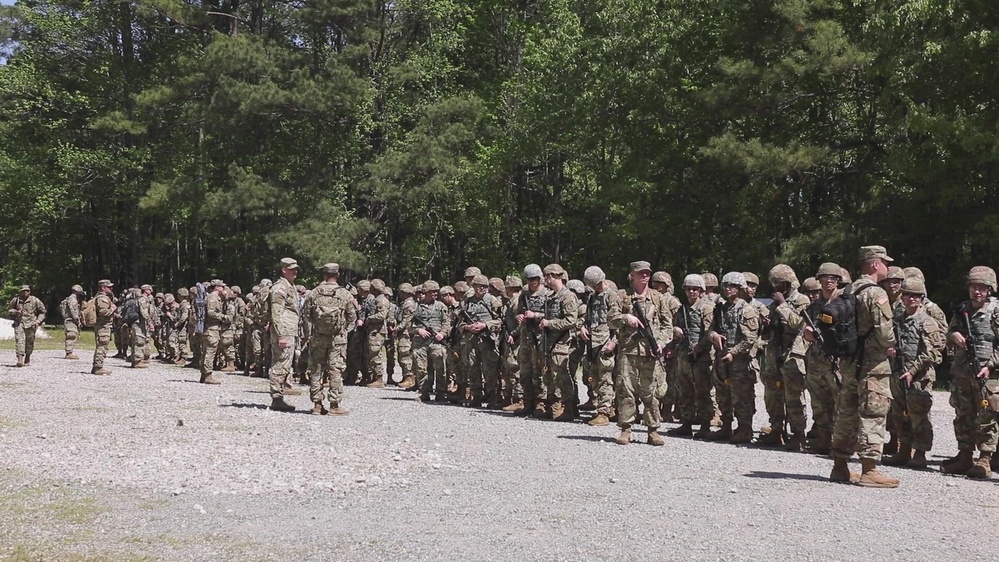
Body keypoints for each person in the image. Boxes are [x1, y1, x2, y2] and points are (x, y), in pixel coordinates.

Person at [813, 245, 898, 487]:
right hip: (872, 364)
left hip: (849, 363)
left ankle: (839, 466)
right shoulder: (875, 293)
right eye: (884, 262)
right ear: (874, 264)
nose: (887, 267)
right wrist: (891, 345)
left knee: (846, 413)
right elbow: (885, 334)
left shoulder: (848, 290)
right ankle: (869, 470)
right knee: (873, 413)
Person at [940, 266, 999, 478]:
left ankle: (985, 459)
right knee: (962, 414)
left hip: (988, 375)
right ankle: (964, 455)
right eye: (974, 287)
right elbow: (948, 332)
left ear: (990, 289)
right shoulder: (962, 309)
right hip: (963, 372)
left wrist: (989, 365)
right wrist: (954, 335)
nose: (977, 292)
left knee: (987, 417)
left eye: (982, 288)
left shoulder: (995, 311)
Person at [608, 261, 673, 445]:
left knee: (651, 392)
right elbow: (611, 320)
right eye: (641, 273)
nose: (645, 276)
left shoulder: (658, 298)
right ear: (632, 275)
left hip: (651, 353)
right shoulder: (621, 296)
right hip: (628, 351)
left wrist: (661, 343)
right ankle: (626, 429)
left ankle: (653, 430)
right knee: (625, 390)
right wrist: (625, 318)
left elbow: (667, 325)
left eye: (647, 273)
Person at [883, 278, 945, 469]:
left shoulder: (926, 322)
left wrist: (912, 370)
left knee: (919, 417)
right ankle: (904, 450)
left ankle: (920, 453)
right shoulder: (898, 318)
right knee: (899, 414)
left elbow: (934, 352)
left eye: (916, 296)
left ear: (921, 298)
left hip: (919, 377)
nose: (911, 299)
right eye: (907, 295)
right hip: (897, 372)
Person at [758, 265, 810, 449]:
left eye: (778, 284)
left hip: (792, 355)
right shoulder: (775, 303)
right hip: (775, 353)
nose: (775, 288)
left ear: (788, 283)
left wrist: (782, 305)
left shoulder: (801, 300)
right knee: (773, 394)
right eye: (773, 284)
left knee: (793, 397)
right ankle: (777, 429)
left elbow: (798, 323)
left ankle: (798, 435)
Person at [707, 272, 759, 444]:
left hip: (740, 362)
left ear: (740, 289)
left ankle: (745, 430)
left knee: (742, 397)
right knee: (723, 395)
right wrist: (714, 336)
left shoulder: (746, 309)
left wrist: (733, 352)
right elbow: (710, 330)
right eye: (726, 286)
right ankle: (726, 426)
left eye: (732, 286)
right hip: (722, 359)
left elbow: (750, 339)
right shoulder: (720, 309)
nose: (728, 289)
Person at [305, 263, 357, 415]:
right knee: (336, 370)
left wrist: (309, 335)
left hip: (318, 338)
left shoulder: (314, 293)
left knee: (317, 370)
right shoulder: (345, 294)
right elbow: (352, 317)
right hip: (337, 339)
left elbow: (306, 317)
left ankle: (317, 404)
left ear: (324, 275)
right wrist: (344, 332)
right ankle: (334, 405)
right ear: (338, 274)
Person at [669, 274, 716, 438]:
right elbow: (674, 326)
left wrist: (699, 348)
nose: (691, 292)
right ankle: (686, 422)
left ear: (701, 290)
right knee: (685, 390)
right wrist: (675, 330)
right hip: (684, 355)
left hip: (701, 357)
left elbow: (710, 332)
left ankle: (705, 425)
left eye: (695, 289)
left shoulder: (706, 308)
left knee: (703, 391)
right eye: (688, 289)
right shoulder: (681, 309)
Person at [540, 264, 580, 421]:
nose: (545, 280)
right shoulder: (551, 297)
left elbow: (571, 320)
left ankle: (568, 408)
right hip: (549, 343)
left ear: (552, 276)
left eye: (547, 276)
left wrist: (549, 324)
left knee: (562, 377)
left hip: (562, 342)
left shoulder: (567, 296)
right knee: (550, 376)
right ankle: (554, 406)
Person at [581, 266, 617, 427]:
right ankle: (601, 408)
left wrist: (613, 342)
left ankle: (604, 412)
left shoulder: (612, 296)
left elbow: (618, 322)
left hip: (605, 343)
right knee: (595, 377)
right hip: (592, 343)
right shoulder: (592, 297)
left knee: (605, 379)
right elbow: (587, 318)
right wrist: (582, 327)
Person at [514, 264, 549, 417]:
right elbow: (518, 311)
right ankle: (527, 402)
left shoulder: (547, 294)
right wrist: (520, 316)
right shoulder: (524, 294)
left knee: (539, 372)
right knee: (525, 371)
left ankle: (541, 403)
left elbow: (551, 315)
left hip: (540, 338)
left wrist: (535, 315)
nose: (532, 282)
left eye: (535, 279)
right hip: (525, 338)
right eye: (529, 279)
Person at [269, 259, 302, 411]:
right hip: (283, 331)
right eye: (291, 269)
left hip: (289, 330)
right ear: (283, 270)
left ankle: (279, 396)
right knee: (280, 363)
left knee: (285, 364)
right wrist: (281, 335)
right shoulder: (280, 288)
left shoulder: (290, 286)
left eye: (296, 269)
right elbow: (276, 313)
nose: (295, 271)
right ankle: (276, 397)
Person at [412, 281, 451, 401]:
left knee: (440, 367)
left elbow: (446, 323)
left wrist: (442, 334)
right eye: (431, 292)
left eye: (436, 291)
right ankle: (424, 392)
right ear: (425, 292)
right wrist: (418, 330)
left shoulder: (441, 306)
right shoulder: (415, 307)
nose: (434, 294)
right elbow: (407, 324)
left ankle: (441, 392)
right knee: (421, 368)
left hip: (436, 341)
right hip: (420, 342)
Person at [9, 285, 46, 367]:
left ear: (30, 292)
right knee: (19, 340)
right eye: (24, 290)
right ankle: (20, 359)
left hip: (31, 324)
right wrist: (16, 312)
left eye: (27, 291)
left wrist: (38, 321)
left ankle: (28, 357)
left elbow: (43, 312)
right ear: (20, 291)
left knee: (30, 342)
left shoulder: (35, 300)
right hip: (19, 323)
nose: (25, 292)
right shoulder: (16, 300)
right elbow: (10, 309)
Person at [200, 280, 226, 385]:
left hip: (211, 329)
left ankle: (204, 375)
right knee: (210, 353)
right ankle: (208, 375)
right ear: (216, 288)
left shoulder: (215, 298)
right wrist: (223, 317)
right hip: (211, 329)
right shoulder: (212, 298)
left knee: (207, 352)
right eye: (222, 287)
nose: (224, 289)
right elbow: (211, 313)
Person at [91, 280, 116, 375]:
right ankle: (98, 367)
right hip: (103, 326)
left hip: (103, 326)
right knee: (102, 346)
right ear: (103, 288)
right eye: (109, 287)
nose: (111, 289)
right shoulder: (102, 299)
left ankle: (97, 366)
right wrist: (113, 308)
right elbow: (103, 312)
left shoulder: (103, 297)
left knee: (102, 346)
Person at [61, 284, 85, 360]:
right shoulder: (73, 299)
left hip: (69, 320)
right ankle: (69, 353)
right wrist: (78, 321)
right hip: (71, 320)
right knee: (71, 335)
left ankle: (69, 351)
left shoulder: (69, 298)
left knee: (71, 335)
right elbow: (73, 311)